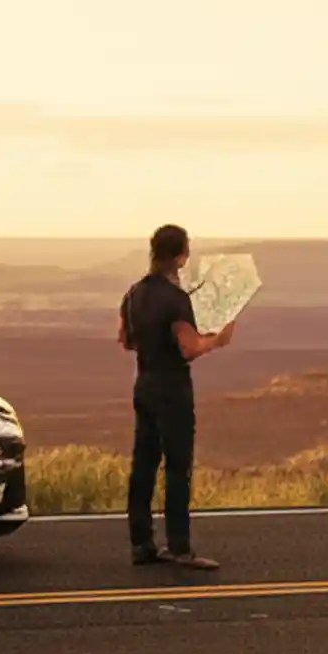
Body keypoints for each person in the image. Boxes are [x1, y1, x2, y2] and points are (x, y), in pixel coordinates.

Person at [118, 224, 235, 569]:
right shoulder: (176, 299)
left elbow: (126, 339)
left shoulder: (133, 293)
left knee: (143, 464)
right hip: (172, 388)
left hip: (144, 382)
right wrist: (217, 339)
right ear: (181, 256)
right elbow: (189, 347)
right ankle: (179, 546)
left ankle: (141, 543)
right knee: (177, 466)